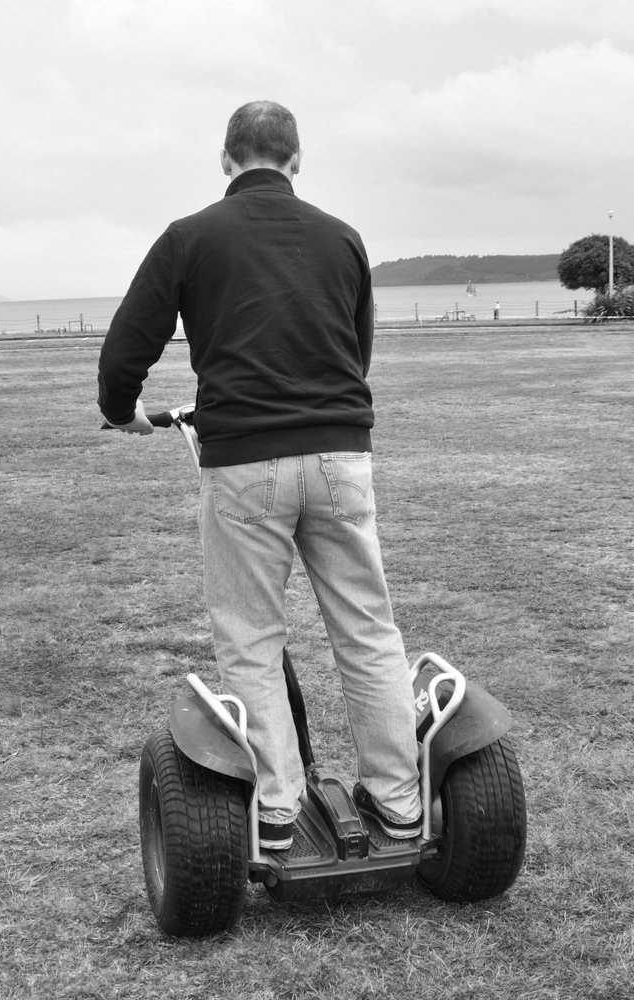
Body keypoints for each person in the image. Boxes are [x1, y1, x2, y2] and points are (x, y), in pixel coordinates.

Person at [97, 101, 421, 851]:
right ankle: (399, 799)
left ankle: (276, 807)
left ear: (225, 160)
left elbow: (125, 353)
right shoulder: (343, 238)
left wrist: (122, 412)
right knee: (367, 629)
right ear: (297, 159)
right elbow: (356, 348)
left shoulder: (188, 237)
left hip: (244, 460)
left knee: (250, 635)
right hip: (342, 454)